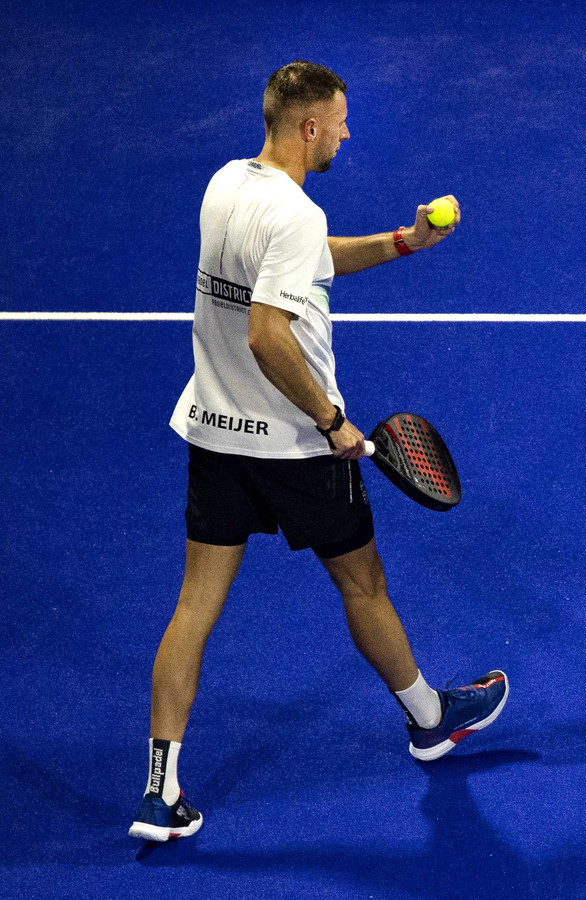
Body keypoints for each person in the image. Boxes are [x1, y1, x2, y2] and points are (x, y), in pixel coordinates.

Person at [129, 61, 508, 843]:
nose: (345, 132)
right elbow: (268, 333)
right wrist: (333, 421)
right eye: (338, 121)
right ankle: (430, 721)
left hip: (213, 434)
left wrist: (403, 243)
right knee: (362, 584)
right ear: (308, 127)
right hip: (298, 449)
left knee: (193, 608)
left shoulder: (227, 184)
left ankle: (158, 794)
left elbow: (302, 260)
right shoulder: (294, 214)